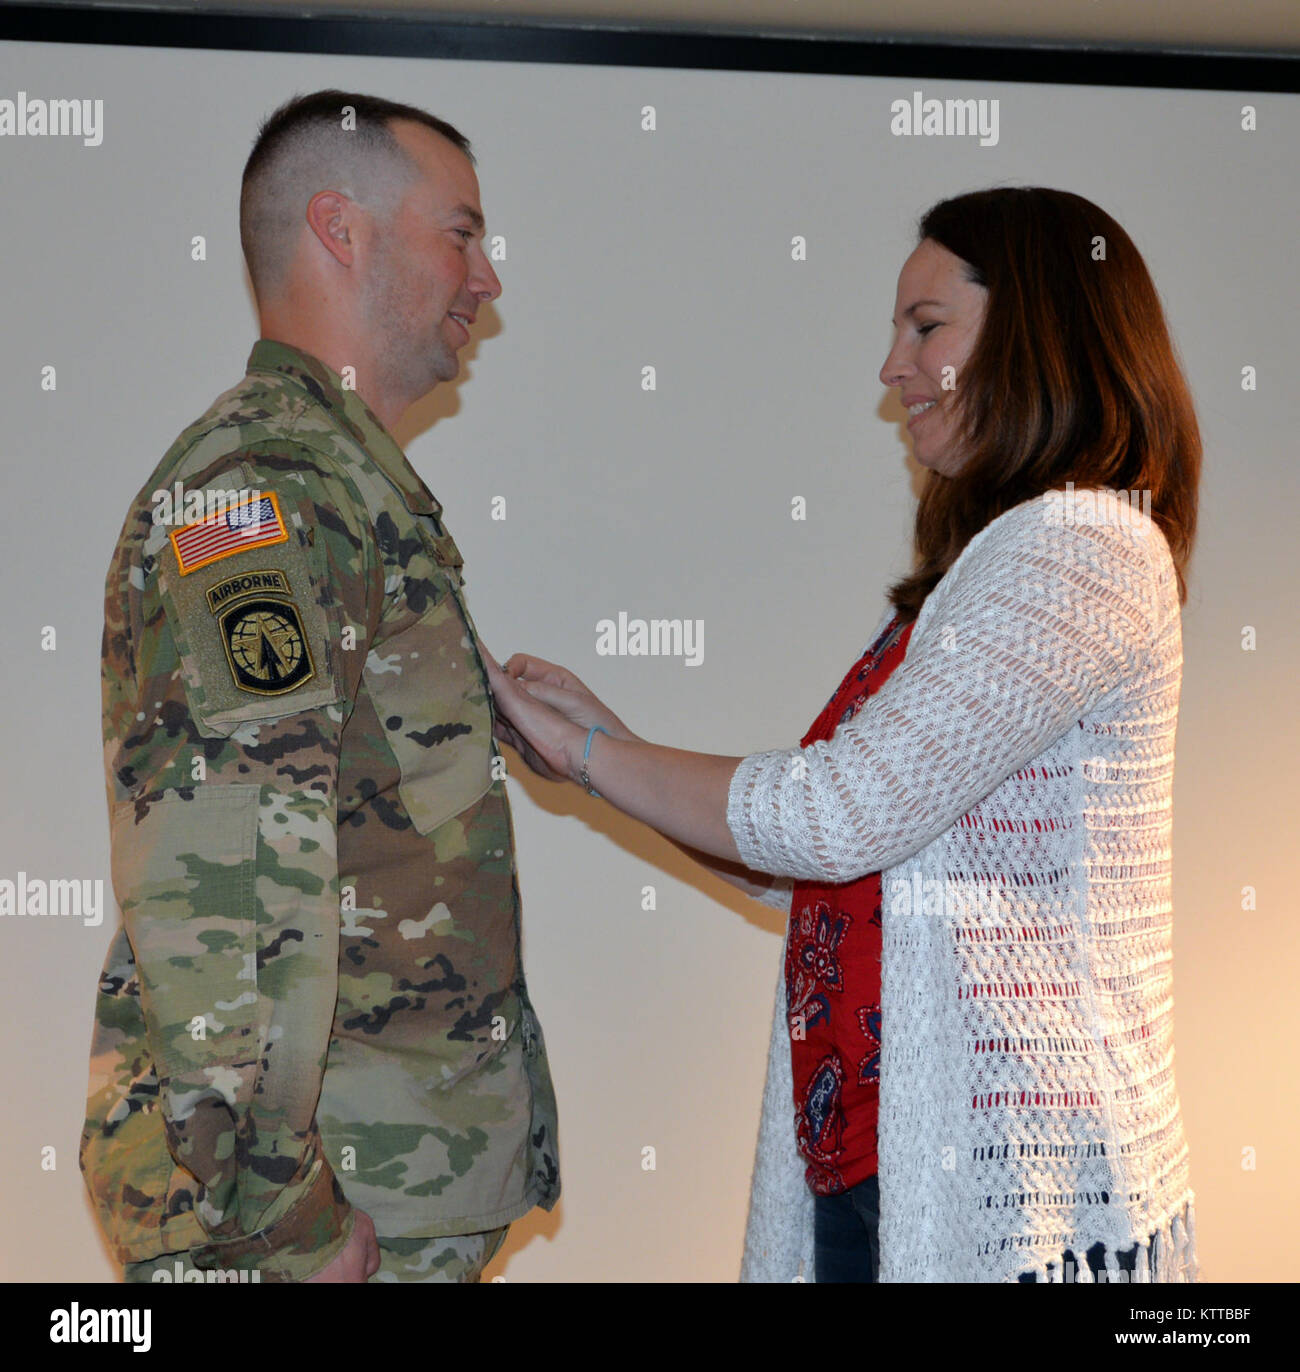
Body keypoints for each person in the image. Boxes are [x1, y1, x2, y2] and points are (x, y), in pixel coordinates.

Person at [486, 187, 1202, 1284]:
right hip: (879, 1161)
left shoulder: (1083, 546)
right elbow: (818, 864)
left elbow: (832, 815)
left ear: (1036, 332)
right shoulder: (971, 582)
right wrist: (610, 749)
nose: (891, 367)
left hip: (1007, 1182)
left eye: (926, 327)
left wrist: (593, 758)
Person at [79, 90, 559, 1284]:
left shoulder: (338, 488)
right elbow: (226, 882)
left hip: (369, 1191)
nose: (486, 277)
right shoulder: (262, 494)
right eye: (460, 233)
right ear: (341, 231)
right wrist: (277, 1226)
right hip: (315, 1222)